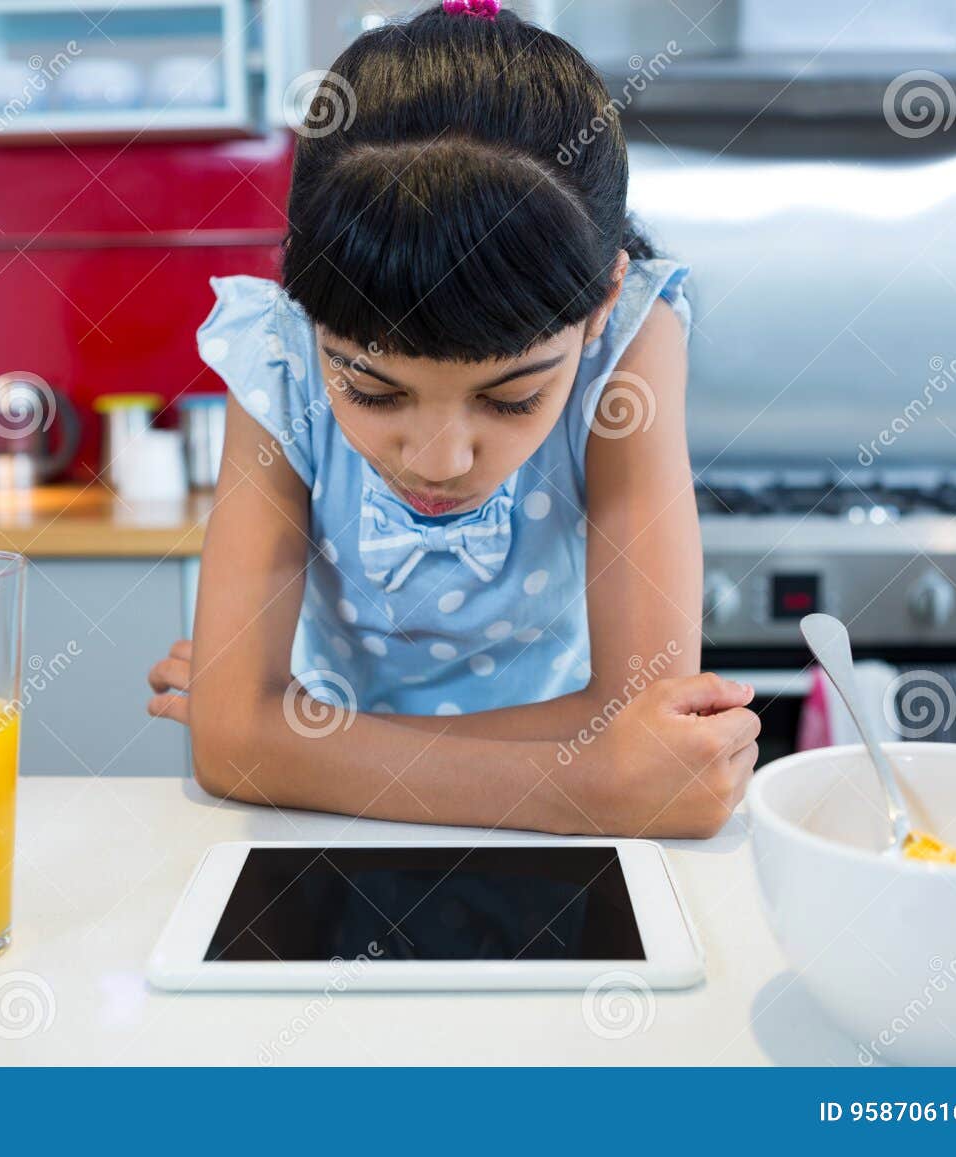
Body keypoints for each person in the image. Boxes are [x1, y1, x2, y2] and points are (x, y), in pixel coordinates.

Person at [146, 1, 759, 837]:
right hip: (336, 838)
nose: (438, 461)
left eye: (509, 397)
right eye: (373, 390)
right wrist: (585, 783)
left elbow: (645, 711)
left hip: (364, 805)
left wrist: (290, 733)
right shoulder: (282, 353)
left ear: (601, 305)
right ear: (306, 311)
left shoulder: (631, 344)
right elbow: (230, 748)